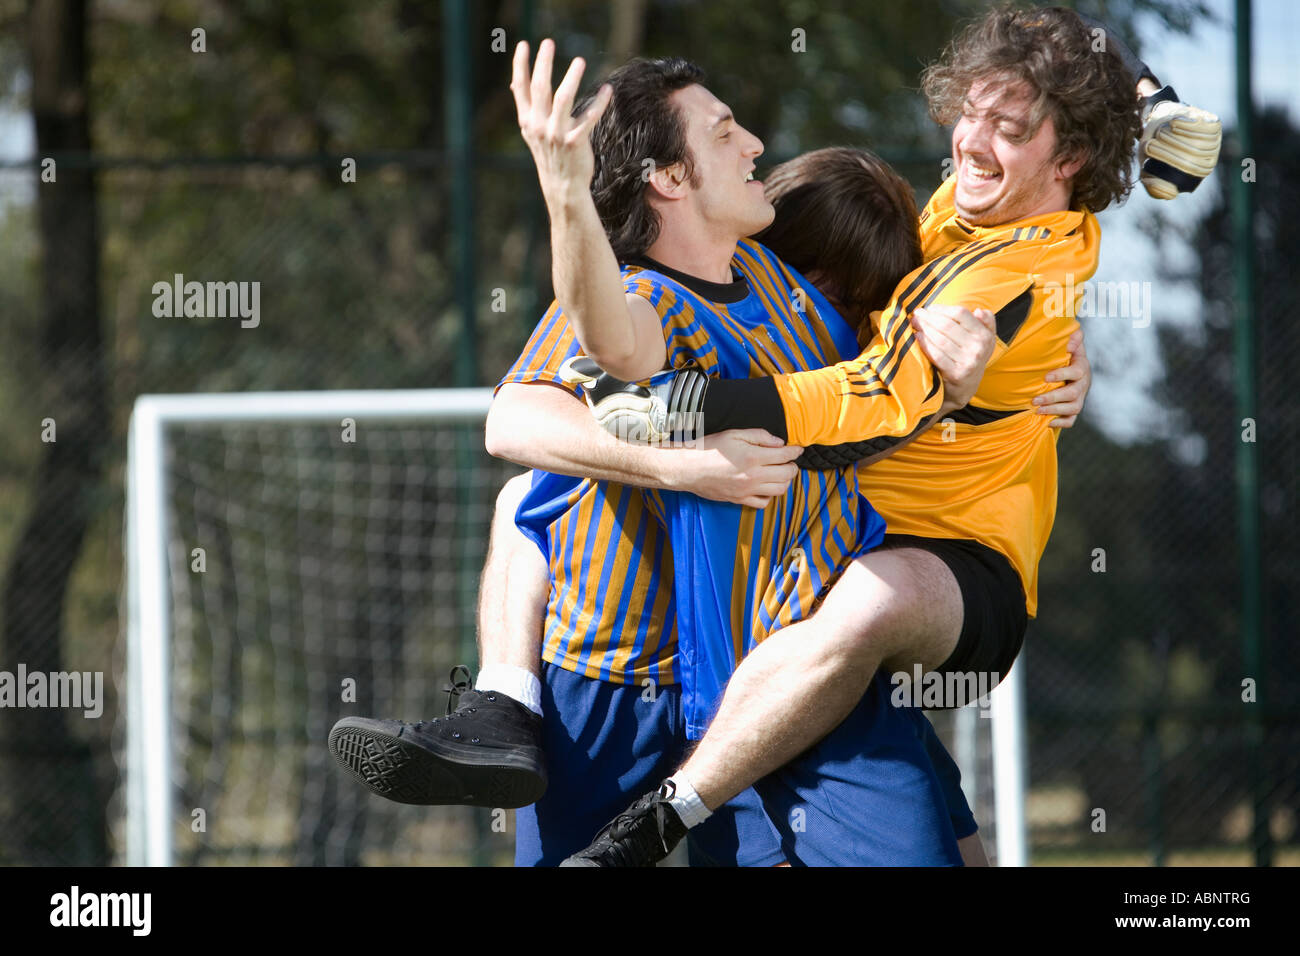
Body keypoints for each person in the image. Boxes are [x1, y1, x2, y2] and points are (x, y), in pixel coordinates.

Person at [560, 5, 1221, 865]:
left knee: (873, 600)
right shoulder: (969, 208)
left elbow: (877, 395)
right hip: (847, 557)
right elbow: (1060, 35)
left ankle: (658, 821)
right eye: (970, 113)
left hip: (955, 577)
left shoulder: (999, 276)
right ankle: (498, 703)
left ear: (1069, 160)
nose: (971, 142)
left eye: (1008, 129)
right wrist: (1149, 97)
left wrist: (687, 407)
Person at [330, 46, 1016, 865]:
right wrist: (564, 192)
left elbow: (887, 383)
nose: (757, 143)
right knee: (524, 497)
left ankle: (504, 705)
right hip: (609, 683)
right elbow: (532, 403)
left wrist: (990, 378)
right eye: (725, 132)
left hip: (769, 679)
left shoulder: (784, 284)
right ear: (671, 178)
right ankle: (502, 705)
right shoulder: (641, 294)